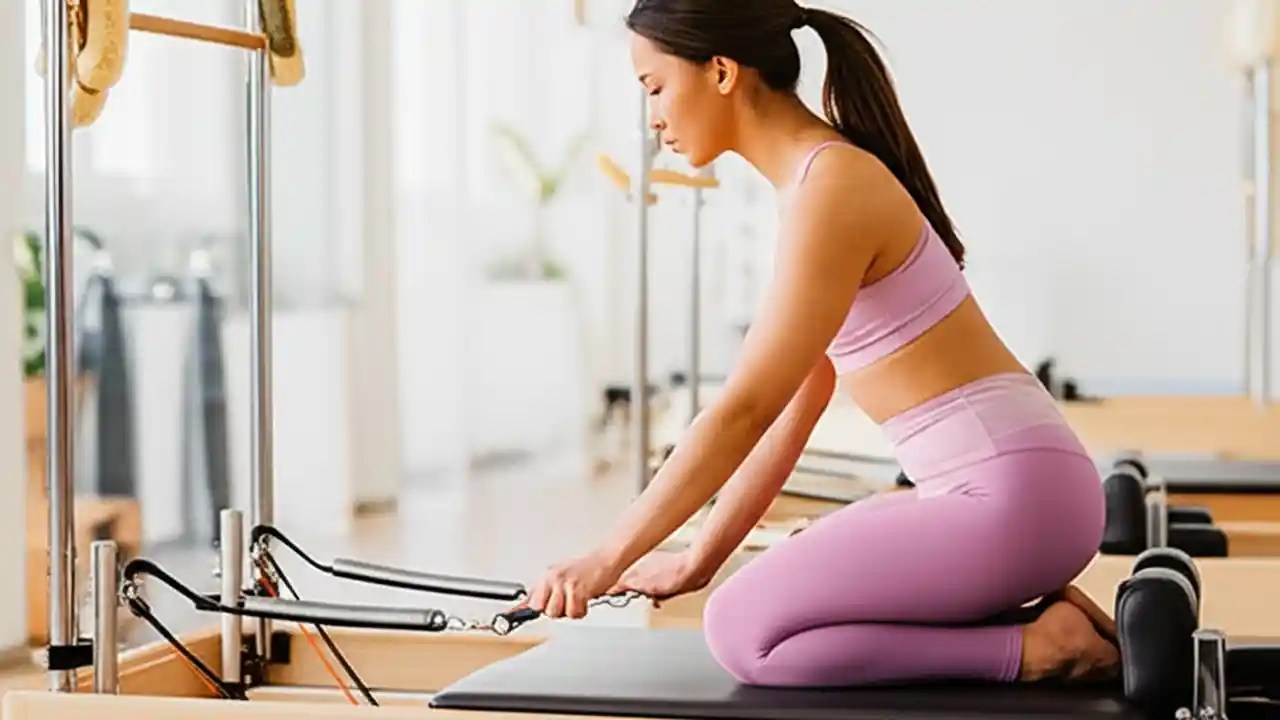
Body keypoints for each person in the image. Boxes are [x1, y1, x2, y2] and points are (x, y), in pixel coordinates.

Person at [525, 0, 1120, 688]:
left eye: (654, 88)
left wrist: (604, 557)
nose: (651, 120)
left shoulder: (829, 188)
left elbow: (742, 409)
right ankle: (1038, 631)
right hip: (1014, 487)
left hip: (1013, 497)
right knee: (780, 576)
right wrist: (699, 559)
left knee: (743, 630)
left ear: (721, 71)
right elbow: (794, 406)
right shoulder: (816, 183)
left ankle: (1041, 651)